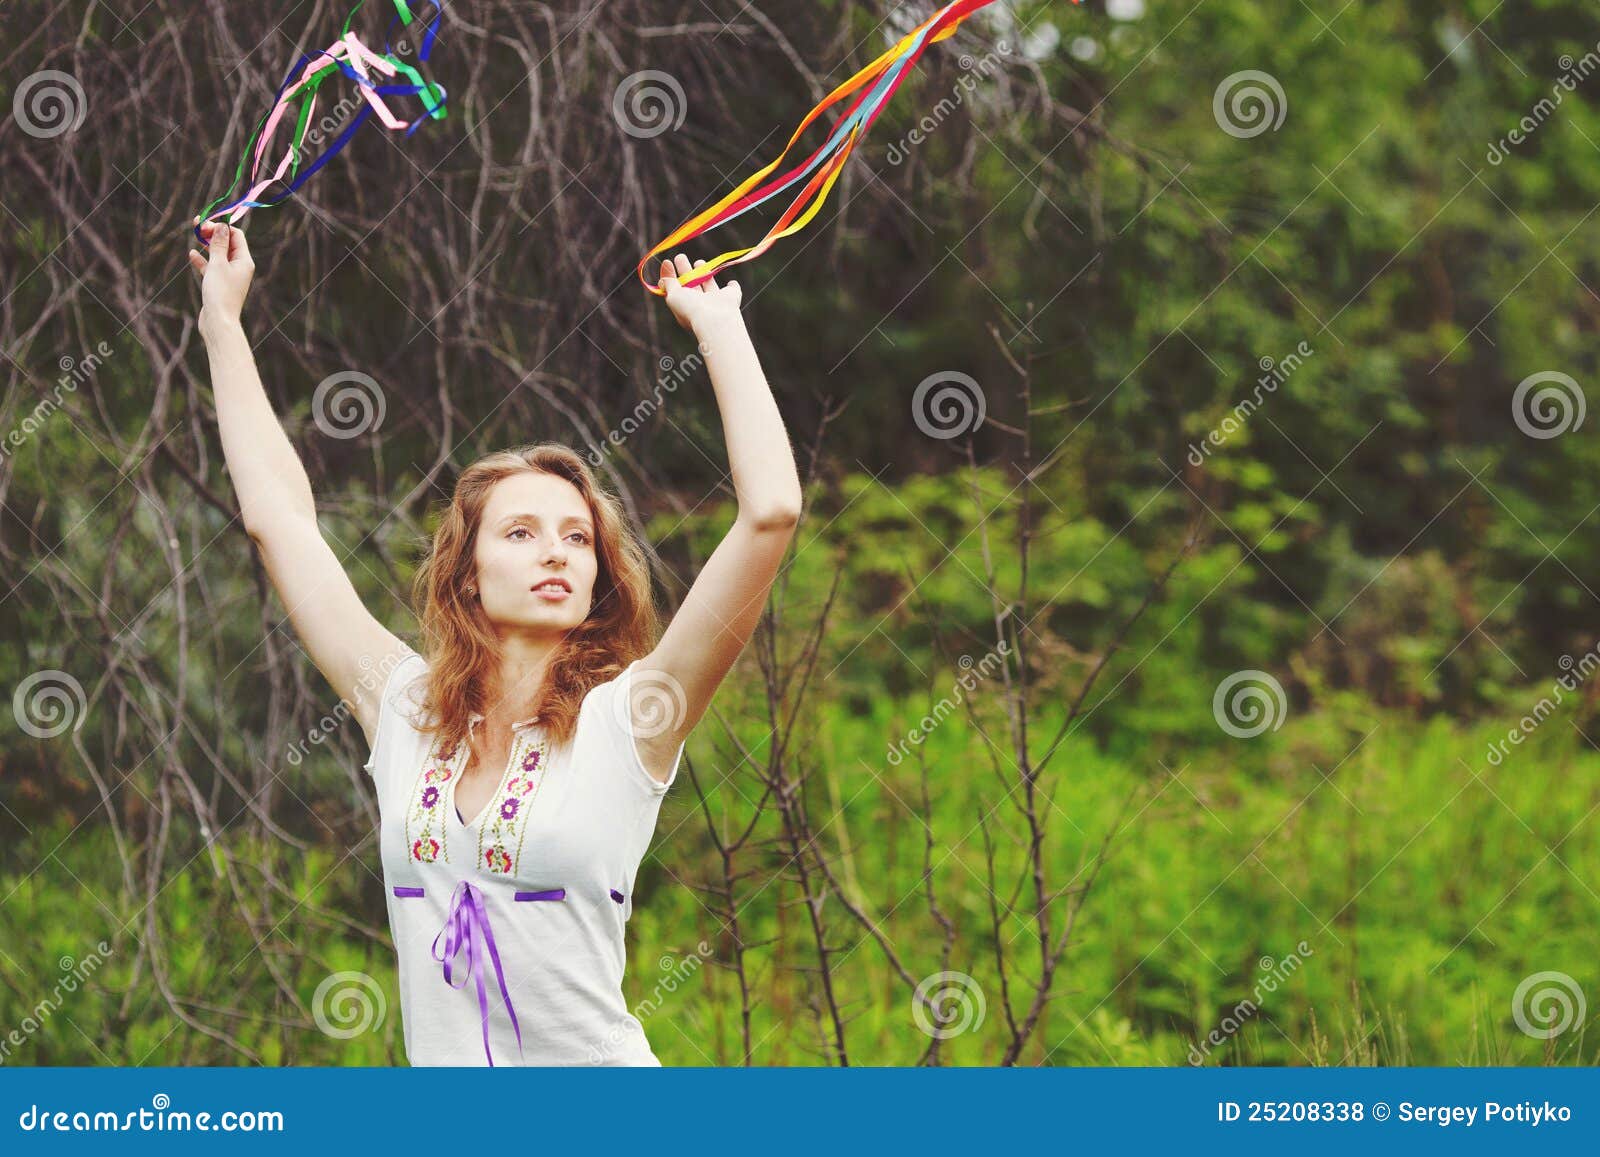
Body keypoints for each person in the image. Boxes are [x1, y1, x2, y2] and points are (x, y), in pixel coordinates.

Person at [187, 221, 802, 1065]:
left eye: (577, 538)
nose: (555, 549)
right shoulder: (402, 709)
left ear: (597, 576)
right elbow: (279, 522)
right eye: (520, 531)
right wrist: (223, 323)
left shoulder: (635, 719)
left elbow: (770, 515)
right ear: (468, 573)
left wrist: (720, 329)